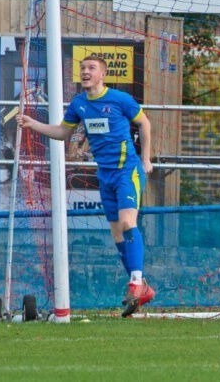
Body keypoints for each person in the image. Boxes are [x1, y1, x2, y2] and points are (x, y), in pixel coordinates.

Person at [17, 55, 154, 317]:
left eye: (91, 68)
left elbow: (144, 122)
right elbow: (63, 133)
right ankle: (141, 286)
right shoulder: (79, 104)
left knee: (128, 224)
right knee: (116, 234)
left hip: (128, 171)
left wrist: (146, 158)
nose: (85, 72)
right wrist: (33, 124)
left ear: (102, 74)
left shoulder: (119, 99)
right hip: (105, 175)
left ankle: (136, 282)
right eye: (82, 68)